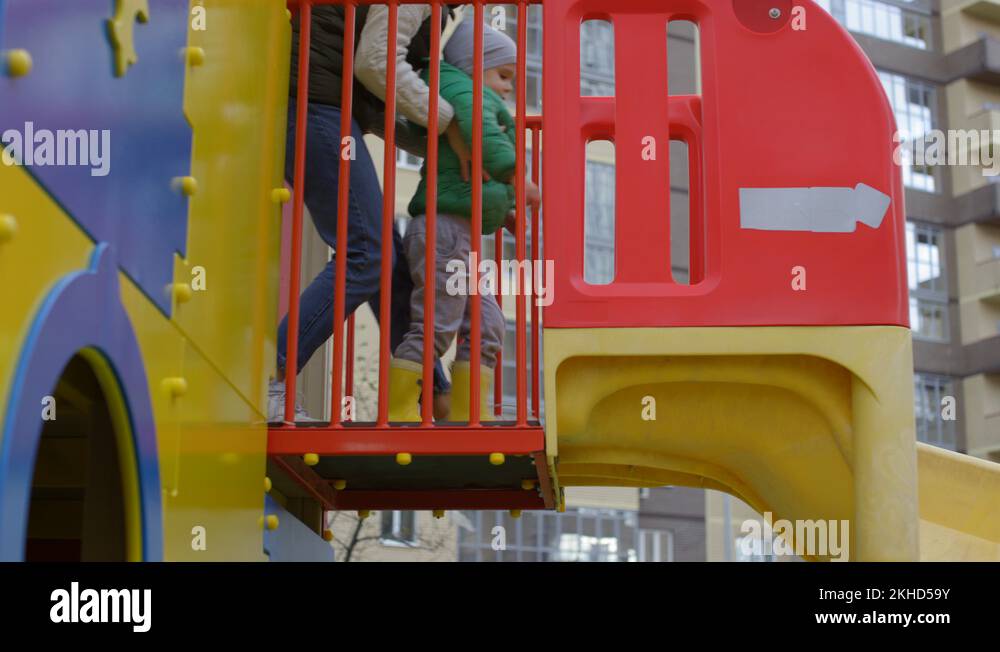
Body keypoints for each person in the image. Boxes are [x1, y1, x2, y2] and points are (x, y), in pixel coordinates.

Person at [269, 4, 469, 422]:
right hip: (311, 101)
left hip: (327, 105)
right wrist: (448, 121)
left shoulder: (440, 11)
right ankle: (272, 377)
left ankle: (431, 396)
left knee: (386, 258)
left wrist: (447, 141)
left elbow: (376, 97)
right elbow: (375, 63)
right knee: (367, 252)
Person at [387, 17, 540, 422]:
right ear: (476, 65)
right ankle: (401, 407)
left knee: (488, 323)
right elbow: (482, 138)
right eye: (503, 75)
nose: (509, 86)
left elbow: (472, 177)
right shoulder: (464, 92)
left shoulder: (480, 96)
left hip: (462, 236)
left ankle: (468, 411)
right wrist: (516, 176)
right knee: (437, 324)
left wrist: (505, 209)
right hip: (443, 232)